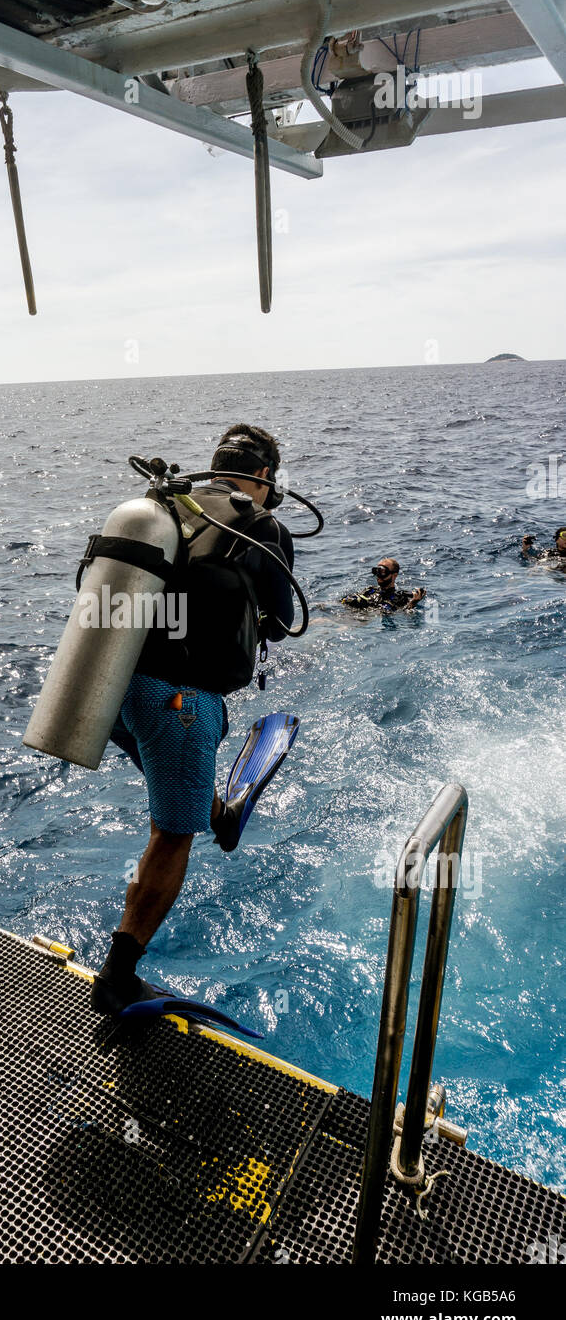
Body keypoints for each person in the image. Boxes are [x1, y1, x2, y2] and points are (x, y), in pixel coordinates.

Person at [90, 425, 295, 1015]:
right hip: (178, 698)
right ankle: (118, 978)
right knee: (171, 836)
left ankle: (221, 814)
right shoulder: (259, 524)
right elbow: (282, 620)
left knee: (182, 771)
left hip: (112, 686)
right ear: (263, 477)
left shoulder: (167, 506)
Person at [340, 557, 426, 614]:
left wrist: (413, 603)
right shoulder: (370, 590)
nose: (378, 576)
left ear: (394, 575)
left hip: (365, 620)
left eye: (383, 572)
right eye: (377, 571)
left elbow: (406, 616)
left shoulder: (401, 597)